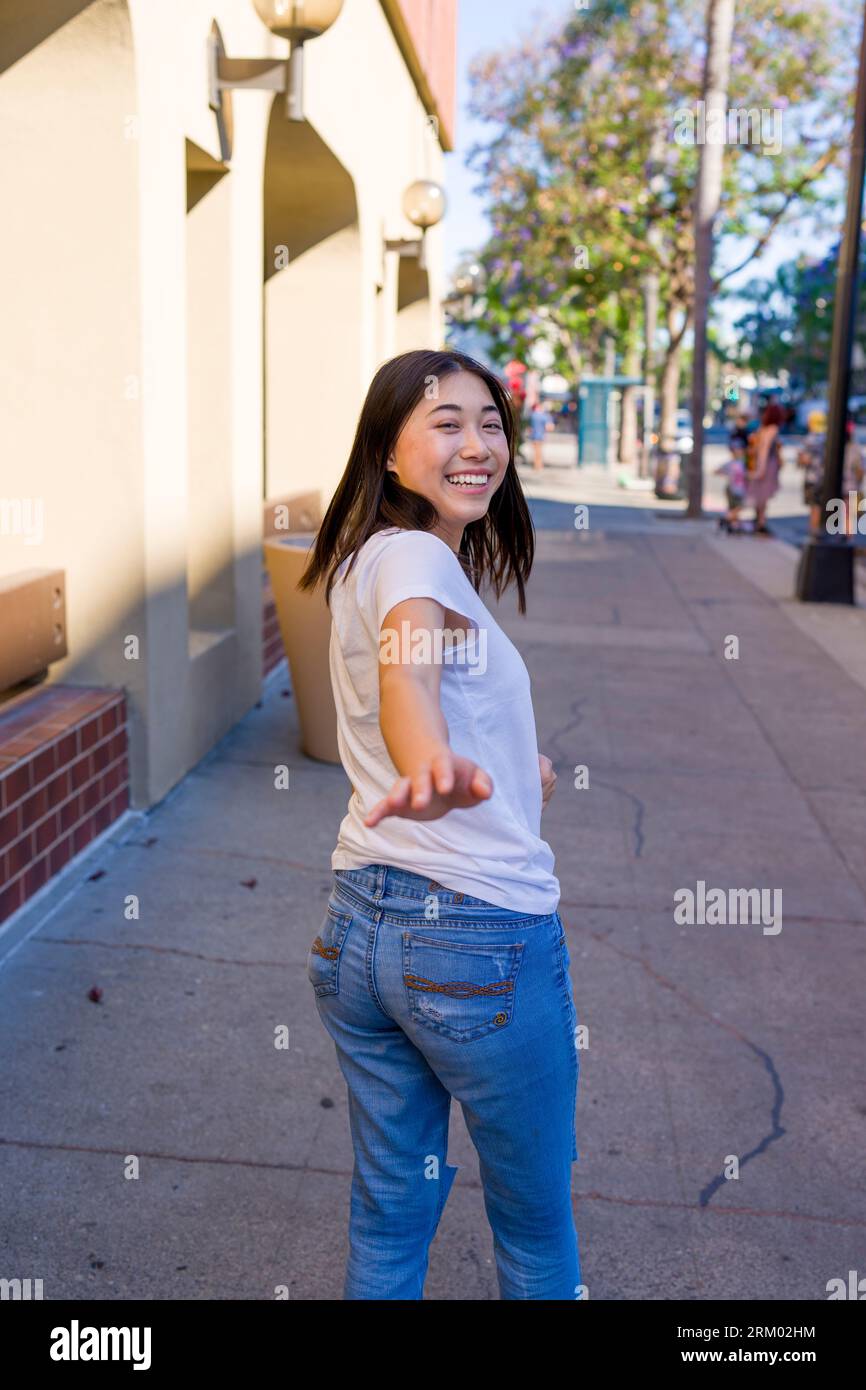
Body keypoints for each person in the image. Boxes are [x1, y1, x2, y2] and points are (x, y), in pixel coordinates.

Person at [297, 348, 581, 1300]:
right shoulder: (417, 558)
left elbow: (426, 687)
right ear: (387, 453)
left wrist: (503, 766)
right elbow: (409, 684)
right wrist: (431, 765)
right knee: (535, 1225)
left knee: (390, 1205)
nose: (478, 445)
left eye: (490, 422)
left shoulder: (370, 562)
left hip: (360, 931)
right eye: (446, 424)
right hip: (472, 936)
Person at [745, 401, 784, 534]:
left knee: (760, 495)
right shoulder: (772, 429)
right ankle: (761, 522)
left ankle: (759, 521)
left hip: (760, 464)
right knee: (763, 495)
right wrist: (761, 469)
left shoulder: (762, 429)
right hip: (767, 466)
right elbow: (764, 450)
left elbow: (756, 449)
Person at [717, 411, 750, 532]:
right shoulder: (735, 463)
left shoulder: (739, 463)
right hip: (734, 488)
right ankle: (727, 519)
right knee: (738, 505)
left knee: (736, 506)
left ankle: (732, 523)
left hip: (737, 487)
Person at [796, 409, 827, 535]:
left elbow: (805, 460)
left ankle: (814, 533)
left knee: (815, 506)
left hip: (812, 478)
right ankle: (821, 531)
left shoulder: (810, 439)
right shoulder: (827, 438)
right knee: (822, 505)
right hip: (825, 477)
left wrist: (800, 458)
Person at [527, 399, 552, 471]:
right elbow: (548, 427)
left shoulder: (532, 415)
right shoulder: (544, 416)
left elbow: (530, 427)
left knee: (535, 452)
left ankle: (536, 465)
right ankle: (539, 466)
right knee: (539, 452)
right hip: (541, 435)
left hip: (533, 435)